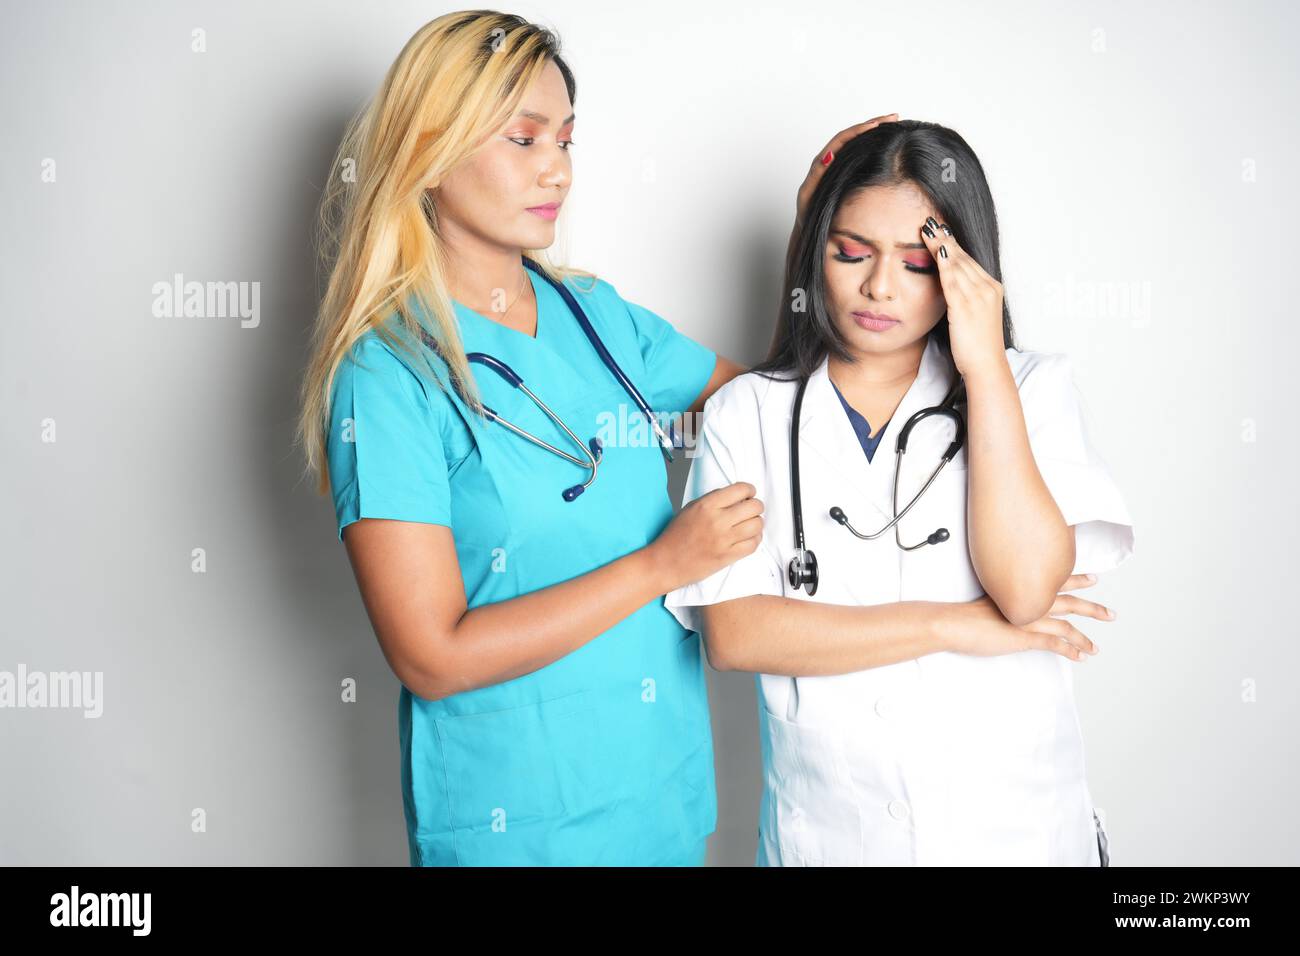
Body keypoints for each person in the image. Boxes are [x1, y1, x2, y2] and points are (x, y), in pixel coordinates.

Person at [295, 9, 895, 866]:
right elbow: (430, 655)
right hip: (517, 823)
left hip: (658, 796)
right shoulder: (387, 377)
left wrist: (812, 228)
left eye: (566, 141)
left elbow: (772, 416)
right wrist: (660, 567)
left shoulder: (596, 317)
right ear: (427, 152)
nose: (558, 171)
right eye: (525, 139)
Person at [663, 119, 1136, 866]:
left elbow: (1023, 592)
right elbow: (736, 634)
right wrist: (952, 624)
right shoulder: (747, 413)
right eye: (850, 252)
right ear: (814, 250)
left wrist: (984, 368)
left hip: (1016, 835)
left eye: (917, 262)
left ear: (963, 270)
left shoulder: (1031, 390)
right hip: (834, 836)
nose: (878, 286)